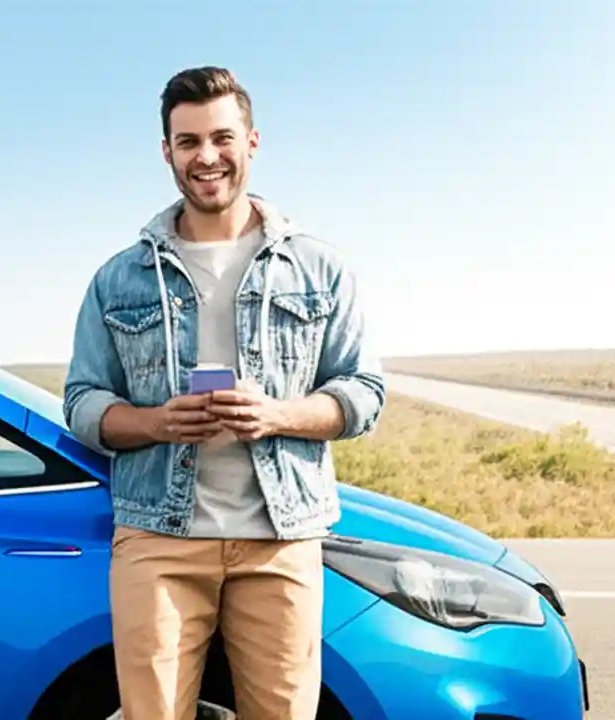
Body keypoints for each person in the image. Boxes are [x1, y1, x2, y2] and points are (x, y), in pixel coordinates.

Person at [62, 66, 385, 720]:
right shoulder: (118, 278)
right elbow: (82, 402)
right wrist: (158, 423)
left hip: (280, 537)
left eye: (221, 137)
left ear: (252, 142)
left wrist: (276, 415)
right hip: (158, 539)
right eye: (188, 142)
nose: (206, 157)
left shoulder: (320, 268)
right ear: (167, 153)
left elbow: (363, 393)